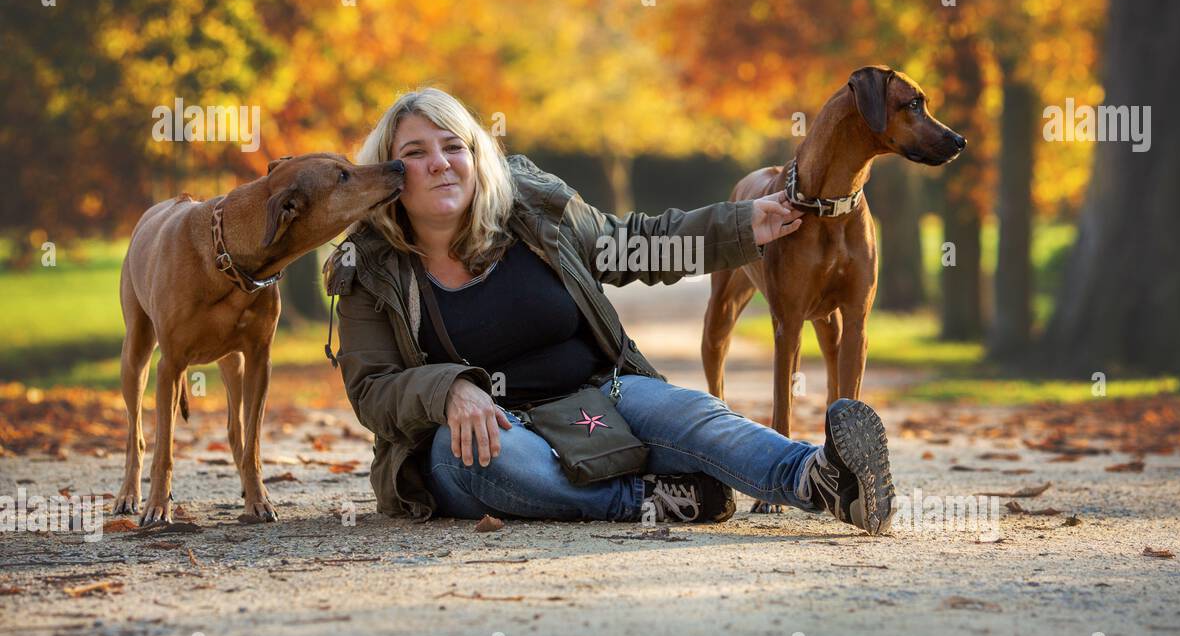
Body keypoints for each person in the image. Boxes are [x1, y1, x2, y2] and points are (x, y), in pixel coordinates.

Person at [324, 88, 894, 533]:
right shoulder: (368, 264)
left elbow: (629, 244)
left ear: (475, 157)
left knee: (694, 415)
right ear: (389, 175)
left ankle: (822, 478)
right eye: (415, 154)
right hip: (486, 435)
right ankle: (650, 499)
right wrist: (447, 390)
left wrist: (739, 225)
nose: (441, 164)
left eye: (454, 147)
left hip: (600, 396)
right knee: (474, 452)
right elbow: (373, 390)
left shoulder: (530, 207)